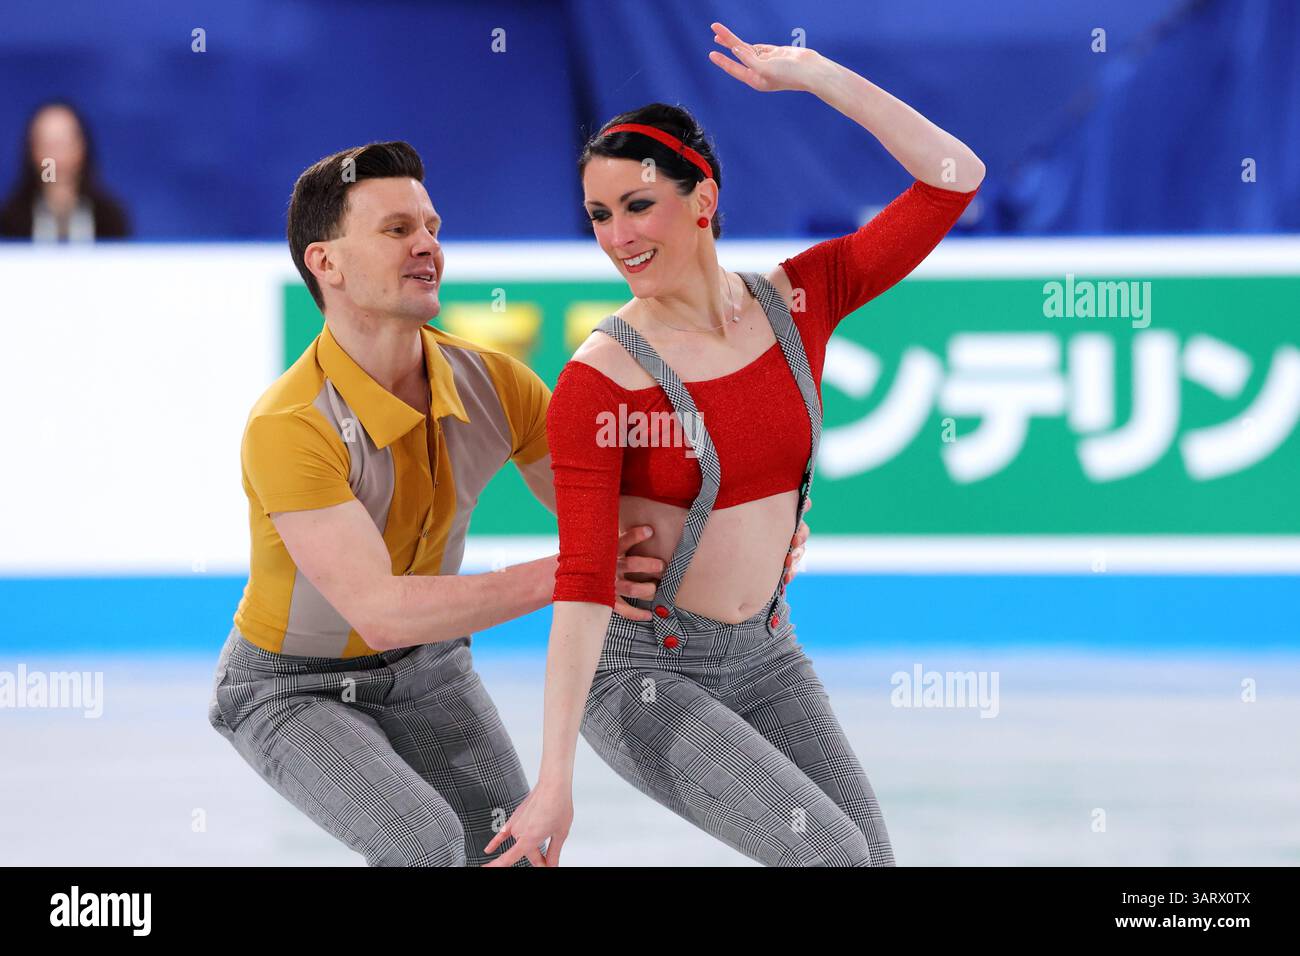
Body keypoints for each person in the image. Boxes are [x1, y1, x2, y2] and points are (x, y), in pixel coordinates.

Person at [204, 139, 812, 867]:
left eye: (432, 227)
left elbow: (627, 523)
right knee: (420, 840)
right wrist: (567, 574)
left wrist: (744, 531)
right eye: (397, 230)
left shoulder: (495, 385)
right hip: (288, 688)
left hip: (428, 670)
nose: (427, 245)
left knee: (512, 852)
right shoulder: (291, 425)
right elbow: (380, 610)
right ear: (325, 264)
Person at [485, 22, 984, 867]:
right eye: (600, 215)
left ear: (704, 200)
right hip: (643, 676)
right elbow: (580, 584)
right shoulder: (600, 380)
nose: (617, 236)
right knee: (829, 855)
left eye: (638, 205)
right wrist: (554, 779)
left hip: (768, 653)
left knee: (870, 857)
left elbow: (951, 181)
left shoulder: (800, 300)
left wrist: (821, 75)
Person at [0, 100, 130, 241]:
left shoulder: (109, 219)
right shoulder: (10, 221)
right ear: (32, 150)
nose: (56, 156)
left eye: (64, 144)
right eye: (48, 145)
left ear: (82, 148)